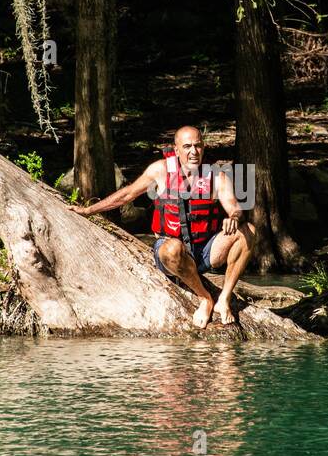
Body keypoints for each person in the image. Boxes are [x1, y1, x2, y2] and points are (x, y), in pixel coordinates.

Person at [71, 125, 255, 328]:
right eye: (187, 147)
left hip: (204, 250)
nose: (193, 152)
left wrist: (234, 218)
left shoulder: (215, 175)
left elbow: (235, 208)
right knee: (172, 248)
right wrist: (89, 211)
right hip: (171, 252)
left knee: (248, 231)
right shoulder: (160, 170)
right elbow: (127, 194)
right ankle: (205, 298)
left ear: (203, 147)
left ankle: (224, 299)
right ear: (176, 150)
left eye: (198, 146)